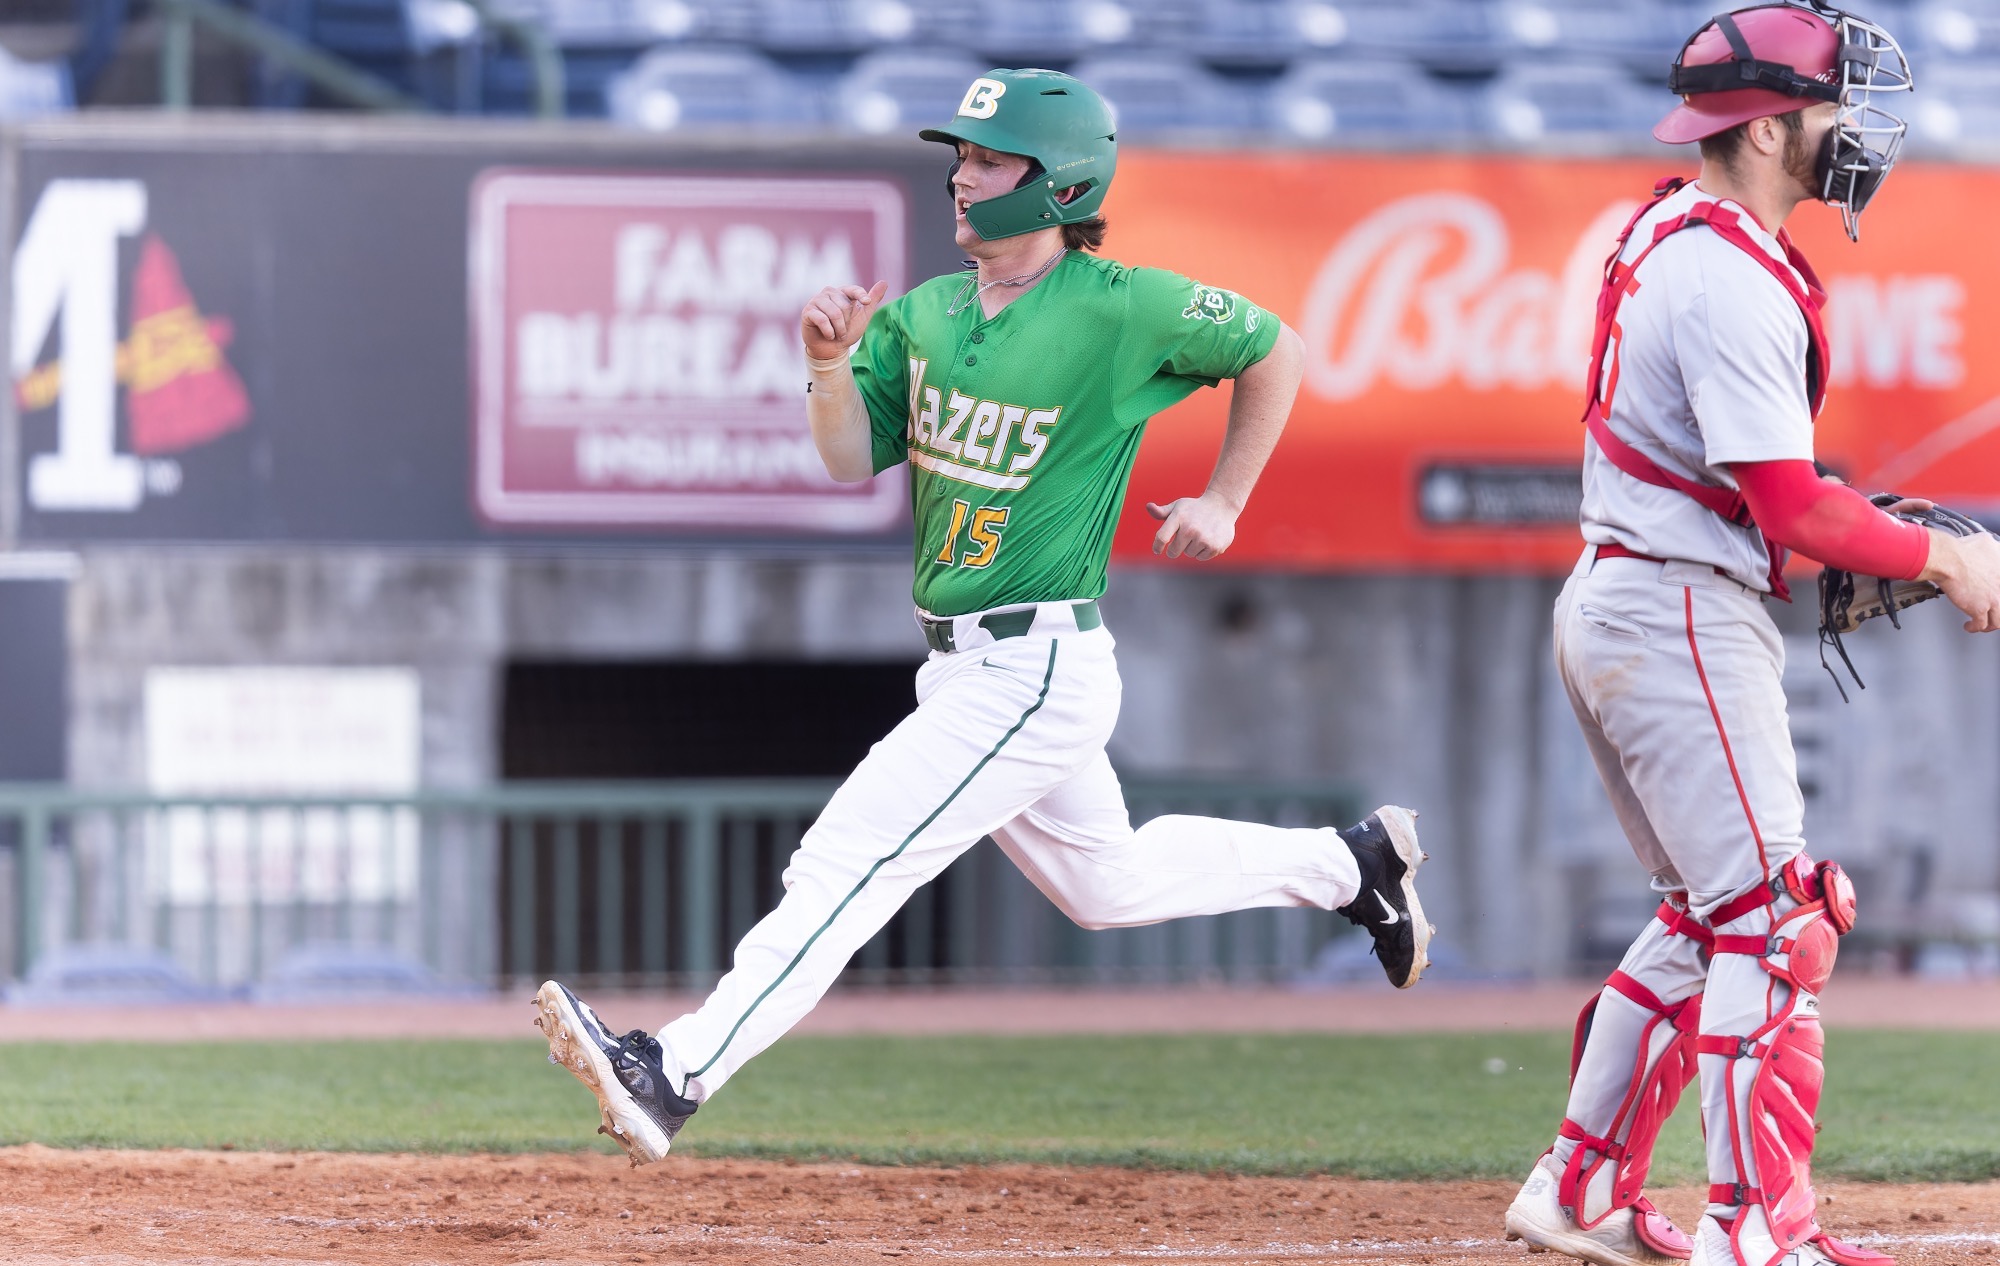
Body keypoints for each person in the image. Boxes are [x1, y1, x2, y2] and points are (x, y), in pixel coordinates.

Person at [533, 67, 1436, 1167]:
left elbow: (1274, 350)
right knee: (1105, 887)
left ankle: (672, 1073)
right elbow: (843, 456)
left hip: (1036, 663)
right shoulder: (924, 313)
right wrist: (824, 364)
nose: (961, 176)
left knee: (848, 862)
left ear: (1055, 186)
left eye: (988, 159)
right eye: (959, 156)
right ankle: (1349, 869)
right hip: (960, 668)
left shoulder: (1122, 305)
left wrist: (1225, 499)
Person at [1502, 6, 2000, 1266]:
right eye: (1830, 106)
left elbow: (1752, 493)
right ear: (1769, 126)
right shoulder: (1724, 271)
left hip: (1634, 593)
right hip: (1671, 611)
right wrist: (1942, 553)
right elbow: (1791, 508)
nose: (1852, 129)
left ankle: (1577, 1190)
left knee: (1707, 919)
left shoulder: (1674, 228)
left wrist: (1850, 525)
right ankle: (1754, 1232)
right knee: (1779, 922)